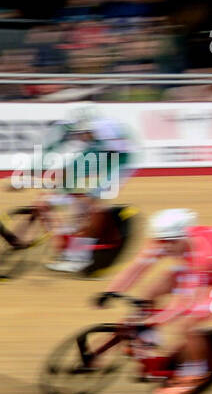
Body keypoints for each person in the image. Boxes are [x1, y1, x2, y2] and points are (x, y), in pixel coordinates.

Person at [98, 208, 212, 394]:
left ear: (184, 236)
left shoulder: (200, 254)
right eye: (162, 241)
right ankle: (150, 341)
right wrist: (111, 291)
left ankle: (196, 372)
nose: (166, 246)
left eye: (171, 241)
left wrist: (150, 322)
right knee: (150, 293)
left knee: (189, 322)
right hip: (203, 265)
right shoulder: (163, 240)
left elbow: (183, 304)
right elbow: (136, 268)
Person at [39, 107, 138, 273]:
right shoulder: (80, 128)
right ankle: (70, 233)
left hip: (121, 159)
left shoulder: (106, 130)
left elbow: (115, 157)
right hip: (100, 151)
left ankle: (78, 258)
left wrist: (90, 195)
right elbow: (57, 147)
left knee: (90, 203)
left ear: (93, 128)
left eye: (84, 133)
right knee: (66, 174)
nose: (80, 137)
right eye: (78, 133)